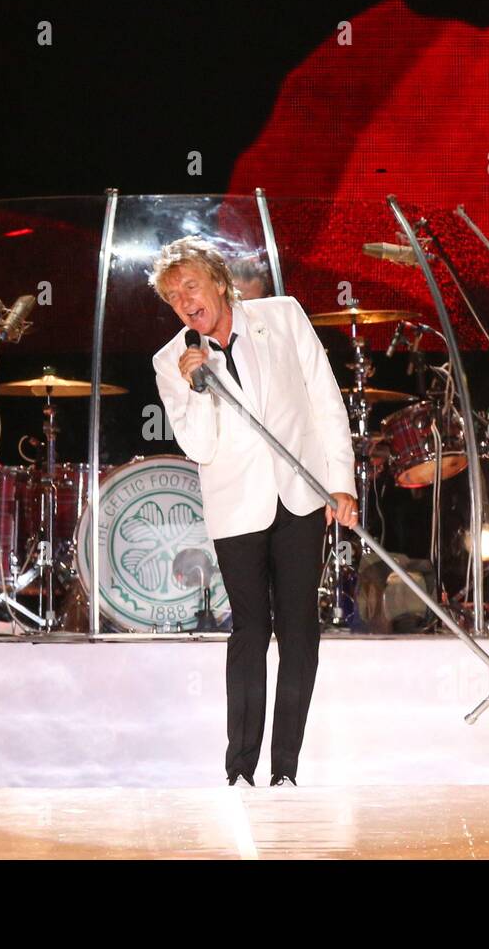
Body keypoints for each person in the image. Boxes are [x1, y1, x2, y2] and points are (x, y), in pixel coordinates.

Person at [151, 236, 357, 787]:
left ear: (218, 280)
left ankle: (284, 770)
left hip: (300, 493)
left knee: (299, 628)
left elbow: (324, 400)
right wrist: (198, 388)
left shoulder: (283, 316)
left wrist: (341, 484)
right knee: (250, 629)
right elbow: (198, 446)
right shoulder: (171, 361)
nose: (184, 301)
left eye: (190, 285)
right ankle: (239, 768)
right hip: (237, 507)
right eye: (173, 296)